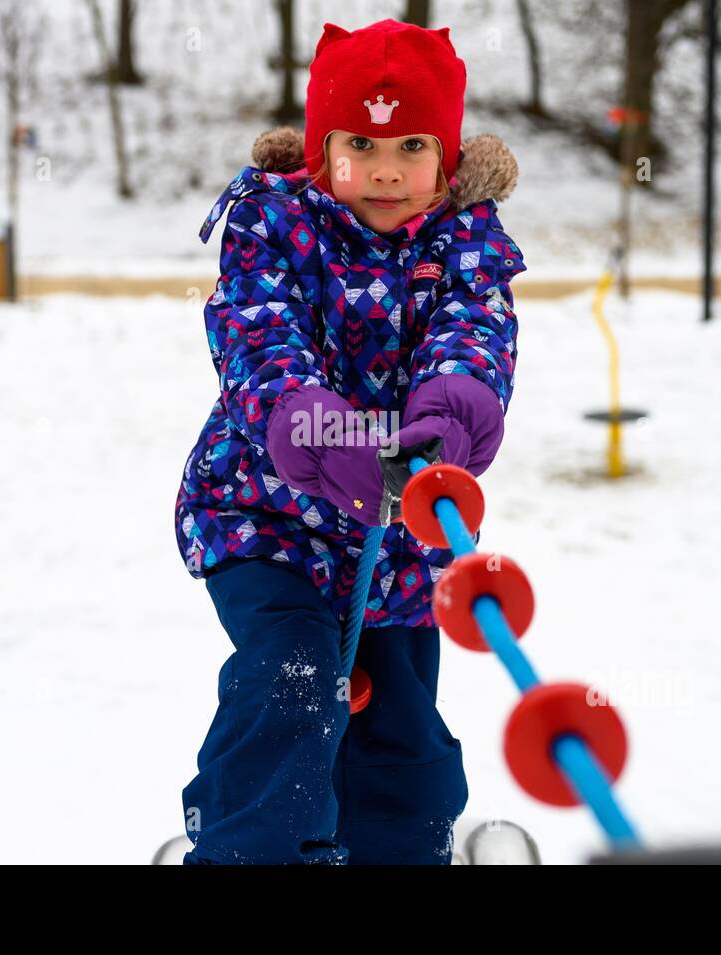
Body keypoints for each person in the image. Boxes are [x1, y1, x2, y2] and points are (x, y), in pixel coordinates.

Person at [174, 17, 525, 864]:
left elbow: (474, 336)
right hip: (269, 520)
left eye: (411, 144)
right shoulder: (273, 225)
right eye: (359, 143)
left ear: (446, 158)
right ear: (321, 150)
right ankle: (245, 851)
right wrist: (319, 429)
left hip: (400, 536)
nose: (385, 168)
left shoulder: (465, 245)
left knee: (403, 741)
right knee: (294, 683)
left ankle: (401, 849)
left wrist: (449, 415)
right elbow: (262, 339)